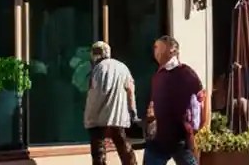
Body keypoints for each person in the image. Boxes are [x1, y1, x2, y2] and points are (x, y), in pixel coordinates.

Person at [145, 35, 205, 165]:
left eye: (158, 47)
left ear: (172, 49)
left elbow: (200, 101)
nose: (155, 51)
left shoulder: (186, 73)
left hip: (178, 135)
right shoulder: (158, 76)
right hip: (158, 136)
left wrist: (192, 128)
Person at [84, 41, 139, 165]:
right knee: (124, 147)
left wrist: (88, 116)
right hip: (118, 115)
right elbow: (130, 90)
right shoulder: (122, 67)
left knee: (99, 153)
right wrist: (133, 112)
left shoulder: (97, 69)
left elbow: (93, 92)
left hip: (97, 117)